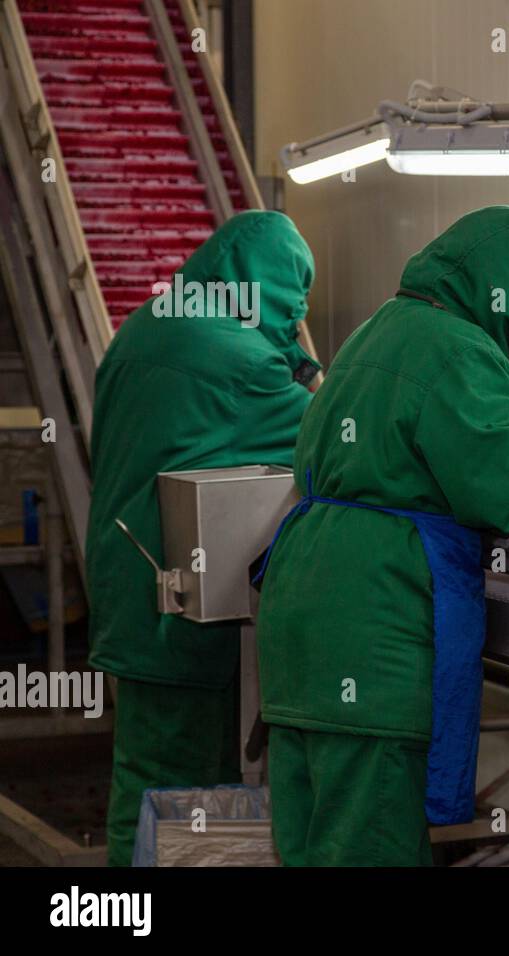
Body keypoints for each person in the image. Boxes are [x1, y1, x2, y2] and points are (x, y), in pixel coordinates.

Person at [254, 205, 509, 866]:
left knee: (311, 843)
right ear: (503, 307)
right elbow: (507, 477)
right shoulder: (456, 349)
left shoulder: (381, 328)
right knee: (371, 839)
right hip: (373, 630)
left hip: (305, 625)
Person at [87, 210, 319, 866]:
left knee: (143, 777)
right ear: (266, 285)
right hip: (183, 617)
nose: (297, 311)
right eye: (294, 295)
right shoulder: (238, 361)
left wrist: (289, 359)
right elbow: (327, 436)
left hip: (129, 584)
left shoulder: (149, 326)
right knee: (192, 794)